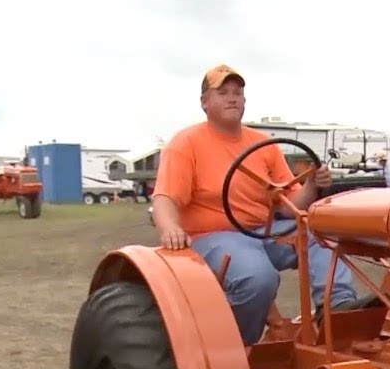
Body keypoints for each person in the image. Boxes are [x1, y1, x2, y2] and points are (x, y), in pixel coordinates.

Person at [151, 64, 360, 347]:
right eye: (222, 92)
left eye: (238, 93)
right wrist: (170, 227)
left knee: (321, 232)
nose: (232, 98)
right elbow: (165, 197)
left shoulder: (262, 144)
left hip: (263, 232)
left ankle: (338, 310)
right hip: (213, 237)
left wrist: (312, 185)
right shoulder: (186, 143)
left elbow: (290, 206)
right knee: (258, 277)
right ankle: (237, 348)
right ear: (204, 102)